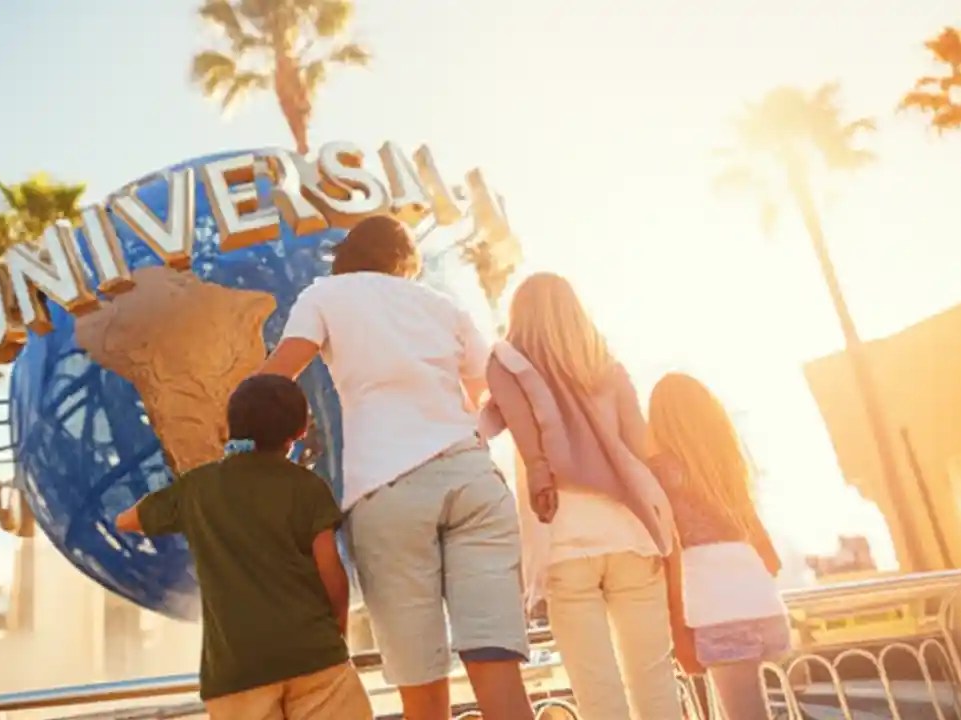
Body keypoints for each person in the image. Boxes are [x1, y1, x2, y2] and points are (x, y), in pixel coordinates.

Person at [259, 214, 534, 720]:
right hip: (471, 479)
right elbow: (494, 390)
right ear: (406, 262)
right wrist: (476, 435)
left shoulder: (325, 295)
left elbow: (275, 380)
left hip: (388, 491)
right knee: (496, 668)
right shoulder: (442, 305)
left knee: (422, 687)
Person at [478, 272, 683, 720]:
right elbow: (642, 448)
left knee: (597, 693)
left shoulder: (509, 368)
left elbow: (498, 432)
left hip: (563, 545)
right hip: (632, 536)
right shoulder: (607, 368)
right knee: (655, 681)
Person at [114, 374, 372, 720]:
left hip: (236, 672)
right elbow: (332, 573)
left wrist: (188, 506)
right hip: (314, 655)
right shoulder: (307, 487)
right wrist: (336, 635)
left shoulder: (198, 488)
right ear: (299, 432)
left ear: (231, 428)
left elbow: (126, 521)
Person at [645, 372, 789, 720]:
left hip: (717, 615)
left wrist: (679, 632)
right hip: (763, 608)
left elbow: (672, 557)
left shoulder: (659, 473)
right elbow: (772, 561)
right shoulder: (727, 470)